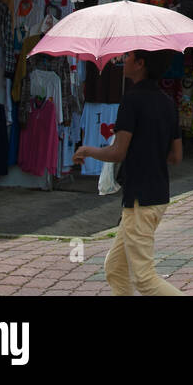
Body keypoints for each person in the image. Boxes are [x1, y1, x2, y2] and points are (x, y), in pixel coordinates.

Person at [74, 48, 183, 295]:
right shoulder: (167, 102)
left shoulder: (132, 100)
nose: (124, 59)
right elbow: (176, 156)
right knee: (115, 267)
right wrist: (150, 149)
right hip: (156, 195)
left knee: (145, 280)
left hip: (140, 200)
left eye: (130, 56)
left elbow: (117, 152)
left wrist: (88, 150)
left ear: (141, 63)